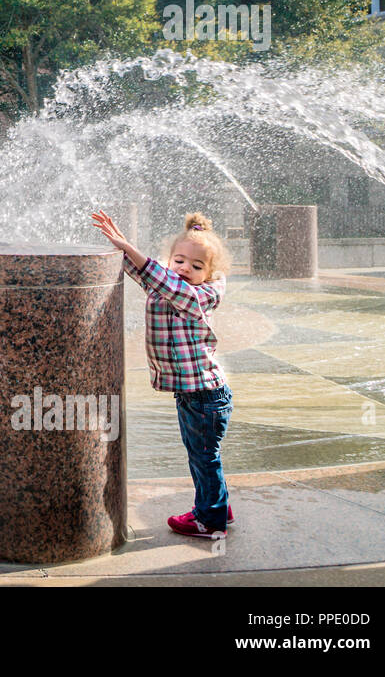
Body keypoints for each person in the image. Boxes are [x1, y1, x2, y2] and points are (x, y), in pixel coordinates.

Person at [91, 209, 233, 539]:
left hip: (206, 396)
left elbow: (162, 279)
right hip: (194, 395)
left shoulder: (201, 296)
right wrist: (120, 249)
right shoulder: (166, 287)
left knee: (204, 458)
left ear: (209, 274)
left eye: (197, 267)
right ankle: (218, 506)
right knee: (203, 456)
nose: (185, 269)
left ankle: (210, 521)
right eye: (179, 260)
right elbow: (147, 276)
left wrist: (130, 248)